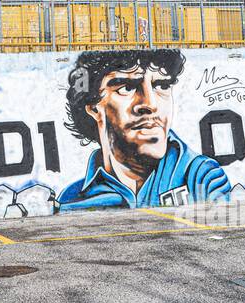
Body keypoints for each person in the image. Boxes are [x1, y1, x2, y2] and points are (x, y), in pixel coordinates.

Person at [59, 49, 231, 210]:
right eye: (127, 88)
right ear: (94, 108)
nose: (150, 104)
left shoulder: (201, 176)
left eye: (162, 86)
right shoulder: (72, 198)